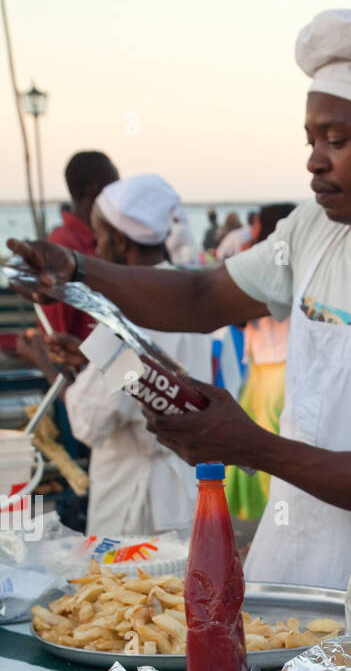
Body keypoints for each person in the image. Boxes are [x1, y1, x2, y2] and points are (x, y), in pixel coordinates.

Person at [8, 10, 351, 623]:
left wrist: (254, 447)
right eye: (310, 141)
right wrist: (78, 270)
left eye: (336, 141)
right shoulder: (313, 232)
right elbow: (201, 296)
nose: (314, 161)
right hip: (283, 567)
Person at [61, 175, 213, 536]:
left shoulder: (128, 310)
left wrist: (47, 364)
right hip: (184, 489)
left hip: (133, 503)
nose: (96, 248)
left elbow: (89, 421)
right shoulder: (186, 292)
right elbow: (139, 377)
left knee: (131, 577)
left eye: (99, 237)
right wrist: (87, 359)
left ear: (119, 240)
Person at [225, 201, 297, 522]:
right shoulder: (288, 262)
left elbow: (240, 316)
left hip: (274, 365)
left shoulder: (269, 265)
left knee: (267, 448)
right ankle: (273, 517)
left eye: (255, 224)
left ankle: (277, 518)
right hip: (268, 364)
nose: (251, 229)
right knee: (262, 445)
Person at [43, 150, 119, 340]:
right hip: (83, 358)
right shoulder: (62, 245)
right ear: (94, 188)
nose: (118, 195)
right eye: (114, 186)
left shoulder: (103, 241)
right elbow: (58, 337)